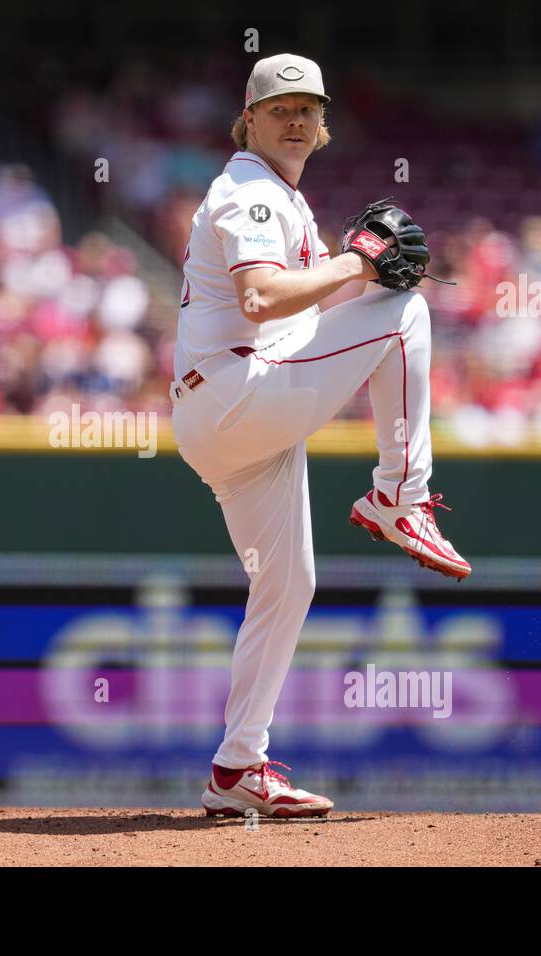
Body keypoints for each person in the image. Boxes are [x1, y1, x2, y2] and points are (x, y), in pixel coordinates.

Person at [170, 53, 472, 819]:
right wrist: (357, 266)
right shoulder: (250, 191)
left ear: (324, 121)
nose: (296, 118)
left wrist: (364, 273)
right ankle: (399, 497)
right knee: (409, 316)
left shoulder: (282, 199)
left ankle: (237, 768)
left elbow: (301, 307)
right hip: (239, 391)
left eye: (308, 107)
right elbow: (263, 297)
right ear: (249, 119)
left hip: (233, 415)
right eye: (279, 108)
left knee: (288, 584)